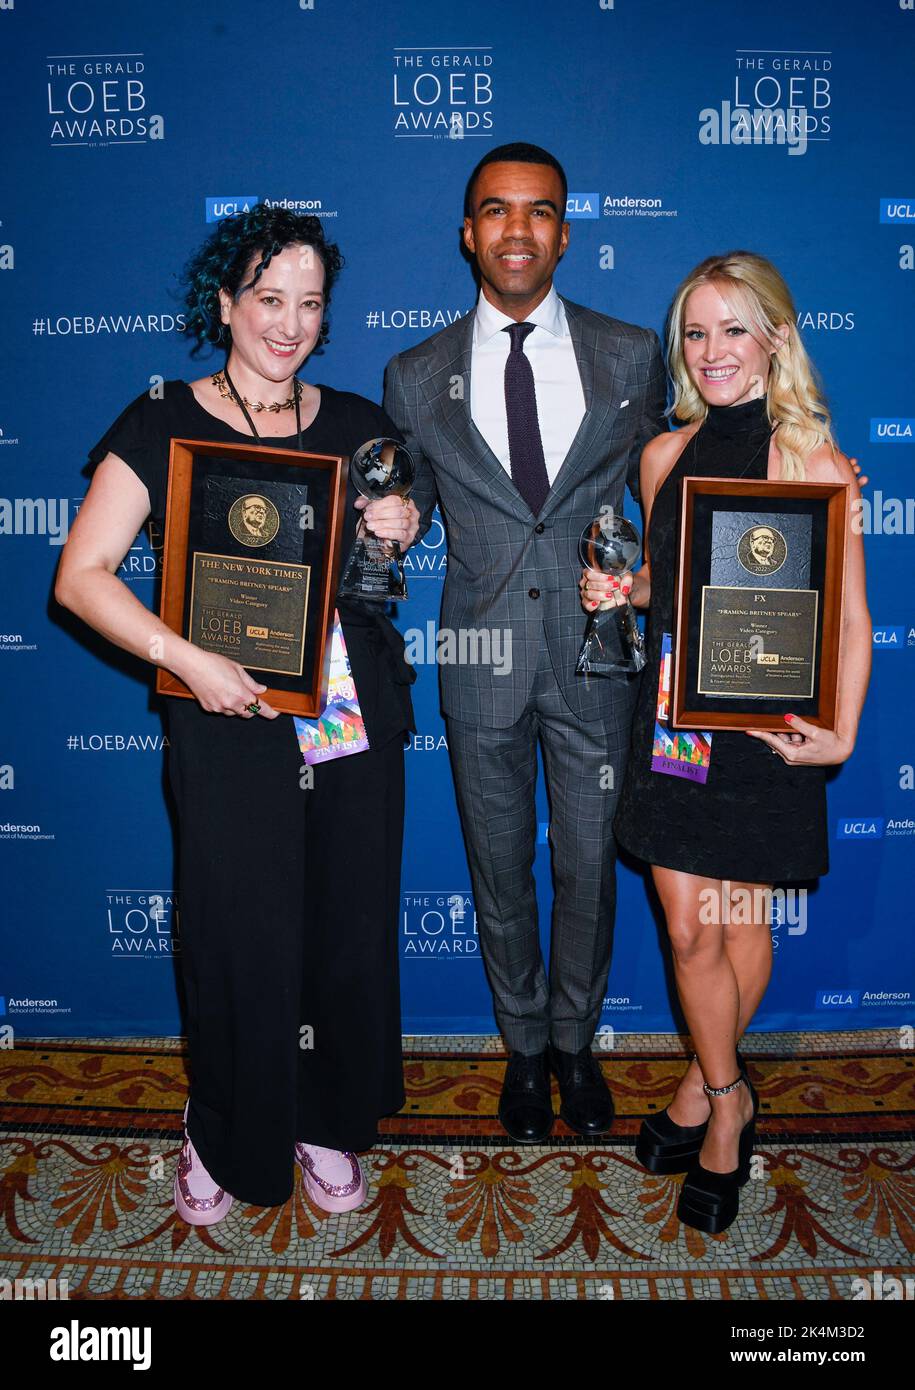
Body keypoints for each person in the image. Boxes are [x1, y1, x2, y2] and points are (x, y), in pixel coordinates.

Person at [55, 204, 421, 1224]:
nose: (288, 323)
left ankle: (326, 1117)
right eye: (269, 299)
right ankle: (220, 1124)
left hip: (347, 725)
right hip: (221, 723)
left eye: (309, 303)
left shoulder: (355, 422)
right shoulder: (162, 418)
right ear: (226, 304)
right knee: (235, 935)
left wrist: (401, 516)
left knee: (343, 930)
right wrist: (185, 658)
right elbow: (82, 577)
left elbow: (397, 522)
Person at [384, 143, 667, 1143]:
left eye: (539, 211)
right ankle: (523, 1050)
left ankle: (578, 1045)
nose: (517, 229)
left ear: (565, 232)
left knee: (590, 867)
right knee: (498, 869)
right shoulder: (415, 374)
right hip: (480, 663)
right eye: (496, 212)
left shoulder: (632, 354)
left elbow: (678, 484)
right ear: (468, 233)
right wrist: (394, 518)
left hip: (598, 657)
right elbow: (405, 496)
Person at [586, 250, 870, 1233]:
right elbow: (674, 582)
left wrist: (841, 734)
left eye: (734, 329)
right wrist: (626, 591)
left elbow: (854, 622)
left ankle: (707, 1100)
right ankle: (728, 1092)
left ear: (777, 338)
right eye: (696, 332)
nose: (712, 351)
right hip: (677, 723)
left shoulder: (819, 465)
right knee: (685, 925)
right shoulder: (663, 457)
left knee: (739, 925)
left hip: (768, 733)